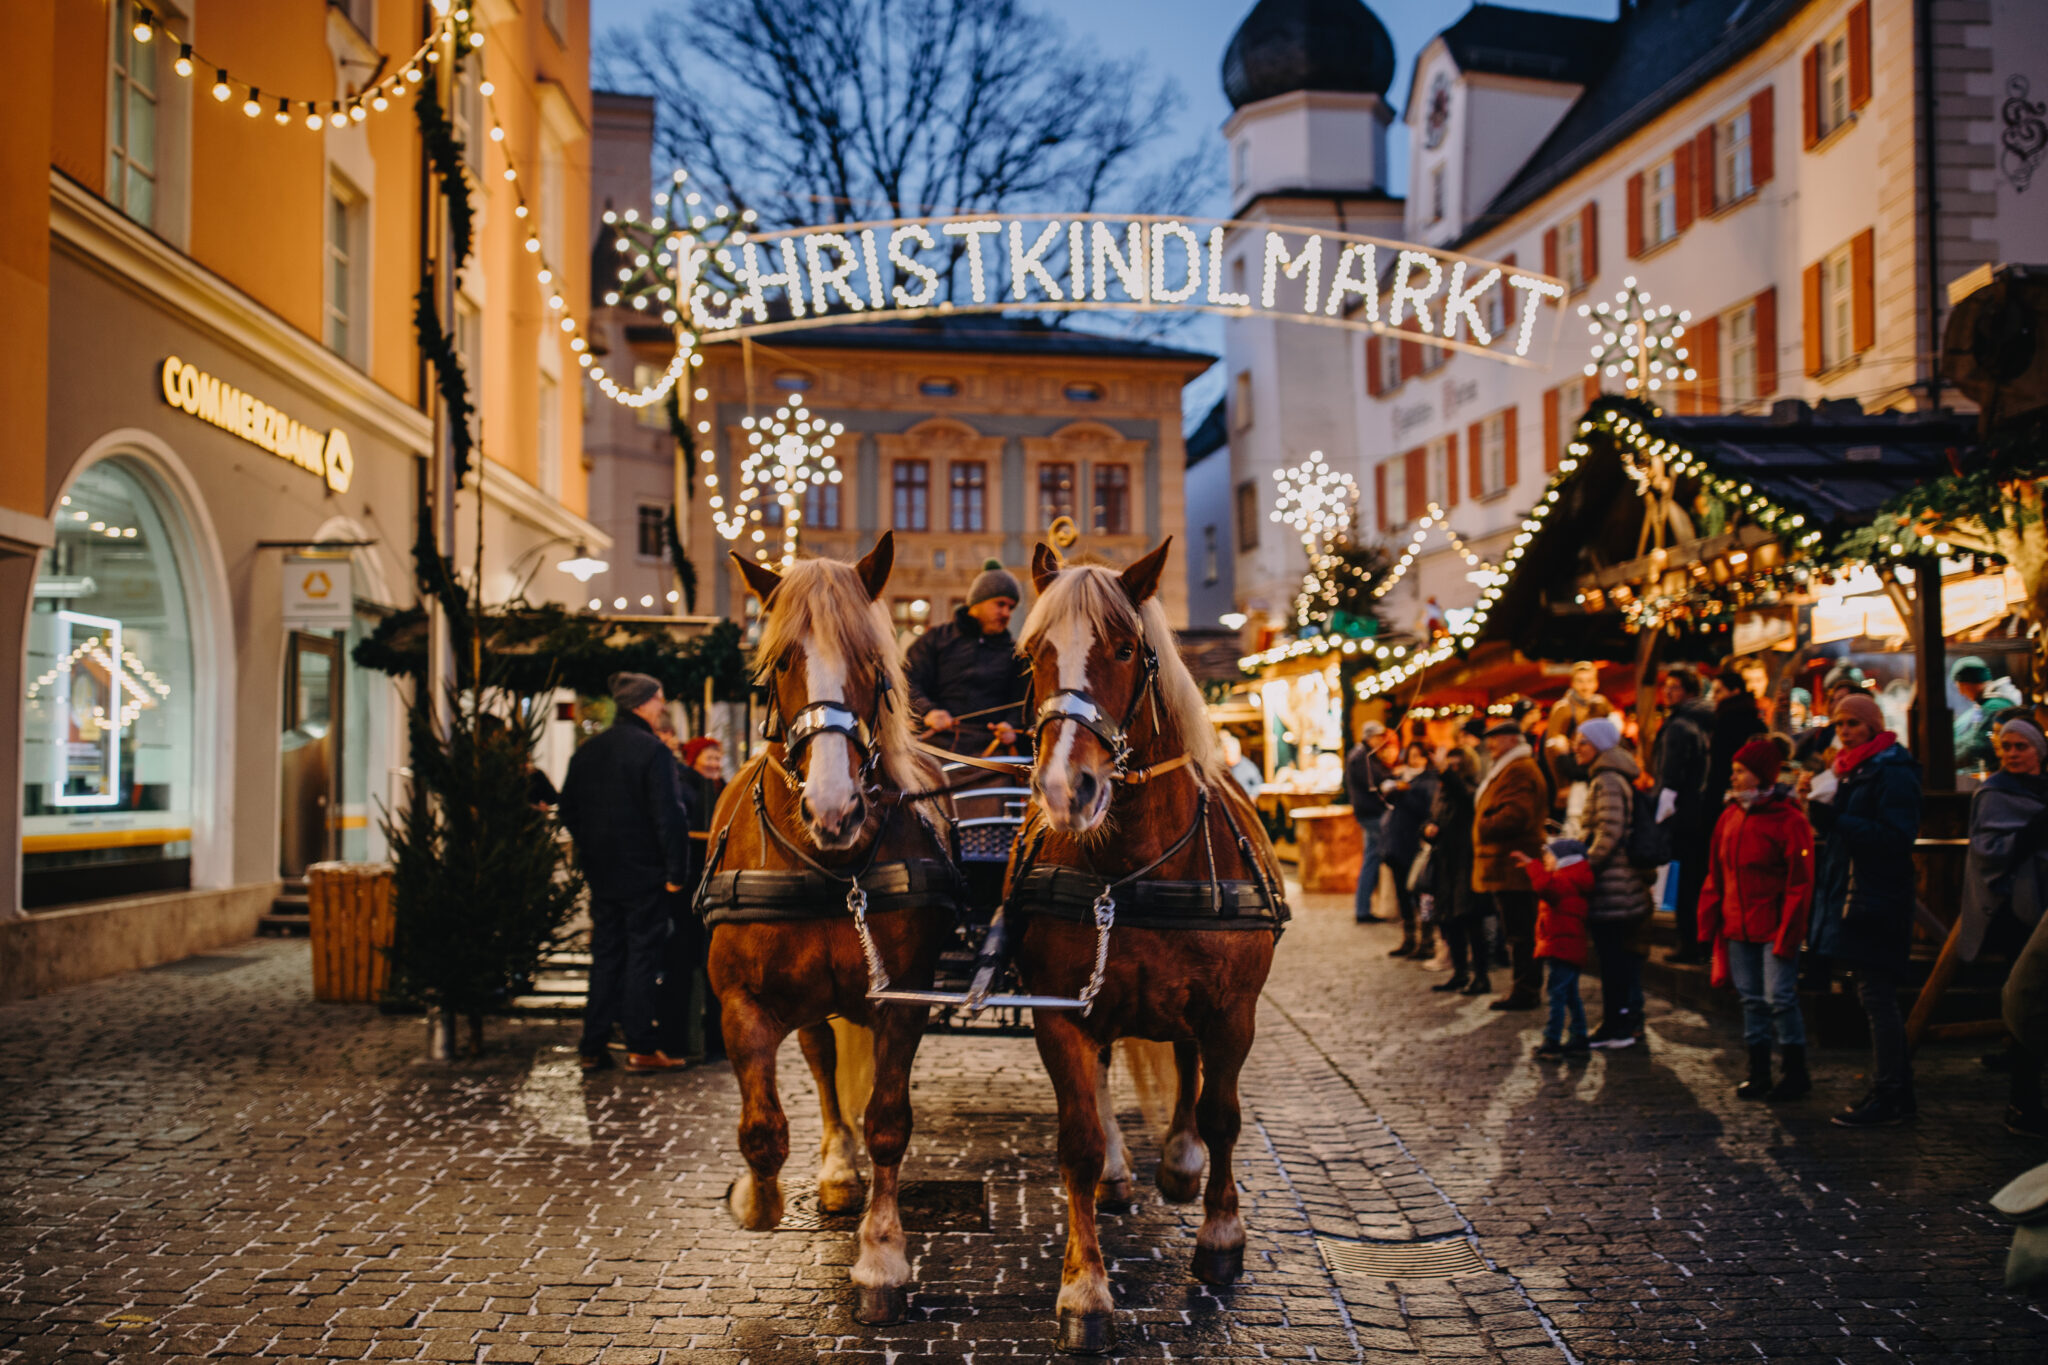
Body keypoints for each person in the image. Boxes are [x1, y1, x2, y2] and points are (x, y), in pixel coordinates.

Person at [557, 672, 694, 1074]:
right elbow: (669, 817)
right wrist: (676, 871)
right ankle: (640, 1046)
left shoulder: (589, 750)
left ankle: (592, 1045)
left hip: (603, 872)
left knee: (606, 956)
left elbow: (568, 809)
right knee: (642, 958)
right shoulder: (652, 752)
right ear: (642, 704)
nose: (662, 706)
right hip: (645, 873)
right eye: (659, 699)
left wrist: (592, 849)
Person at [1800, 692, 1923, 1127]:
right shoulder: (1851, 770)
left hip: (1877, 894)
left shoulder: (1891, 770)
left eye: (1852, 723)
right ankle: (1895, 1089)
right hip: (1853, 892)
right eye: (1839, 725)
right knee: (1871, 993)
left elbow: (1895, 836)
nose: (1845, 732)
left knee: (1877, 995)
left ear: (1872, 725)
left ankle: (1889, 1092)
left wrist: (1837, 821)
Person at [1698, 738, 1815, 1101]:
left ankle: (1795, 1073)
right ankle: (1759, 1071)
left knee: (1779, 997)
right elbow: (1716, 874)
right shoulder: (1730, 817)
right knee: (1751, 1000)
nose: (1732, 778)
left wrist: (1789, 931)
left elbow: (1800, 881)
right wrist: (1711, 922)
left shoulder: (1789, 820)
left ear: (1759, 775)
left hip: (1773, 926)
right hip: (1737, 926)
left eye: (1739, 772)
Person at [1959, 717, 2048, 1137]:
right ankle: (2023, 1100)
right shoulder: (1994, 793)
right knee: (2024, 996)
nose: (2012, 753)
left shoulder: (2041, 789)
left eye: (2020, 746)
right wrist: (2026, 840)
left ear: (2038, 750)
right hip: (2018, 910)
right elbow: (1987, 850)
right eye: (2006, 746)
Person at [904, 559, 1032, 755]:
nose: (1006, 613)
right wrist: (928, 712)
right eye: (1000, 604)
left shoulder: (1015, 653)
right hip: (935, 746)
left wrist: (1012, 726)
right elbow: (907, 681)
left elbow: (1023, 699)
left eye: (1011, 608)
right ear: (977, 602)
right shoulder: (935, 640)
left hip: (993, 750)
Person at [1576, 717, 1652, 1048]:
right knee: (1618, 958)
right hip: (1618, 882)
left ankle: (1617, 1025)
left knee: (1614, 959)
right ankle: (1624, 1021)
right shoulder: (1610, 776)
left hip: (1614, 884)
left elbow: (1609, 832)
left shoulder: (1606, 780)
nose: (1576, 748)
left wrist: (1584, 865)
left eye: (1582, 742)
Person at [1473, 718, 1548, 1009]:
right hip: (1508, 864)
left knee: (1521, 932)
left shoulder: (1519, 770)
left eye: (1497, 738)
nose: (1490, 744)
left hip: (1515, 864)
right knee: (1517, 930)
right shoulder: (1511, 768)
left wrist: (1483, 824)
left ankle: (1526, 990)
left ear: (1513, 741)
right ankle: (1524, 987)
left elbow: (1516, 815)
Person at [1652, 667, 1716, 966]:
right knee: (1700, 878)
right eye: (1667, 686)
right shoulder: (1708, 720)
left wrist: (1662, 805)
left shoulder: (1680, 725)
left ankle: (1688, 942)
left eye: (1674, 687)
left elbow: (1671, 773)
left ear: (1689, 691)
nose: (1668, 692)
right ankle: (1702, 942)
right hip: (1704, 809)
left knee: (1688, 881)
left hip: (1685, 811)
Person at [1519, 837, 1593, 1059]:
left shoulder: (1564, 879)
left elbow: (1544, 887)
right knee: (1570, 994)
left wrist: (1532, 866)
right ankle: (1580, 1037)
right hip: (1565, 945)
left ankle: (1552, 1040)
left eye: (1548, 857)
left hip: (1561, 946)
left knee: (1557, 994)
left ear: (1563, 860)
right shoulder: (1571, 879)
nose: (1545, 861)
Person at [1425, 746, 1489, 995]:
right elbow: (1432, 818)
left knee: (1470, 919)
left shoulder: (1472, 789)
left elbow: (1464, 795)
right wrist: (1428, 829)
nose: (1450, 771)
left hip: (1466, 862)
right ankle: (1460, 973)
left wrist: (1444, 771)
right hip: (1444, 863)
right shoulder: (1442, 793)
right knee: (1449, 920)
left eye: (1455, 766)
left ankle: (1481, 976)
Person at [1382, 741, 1439, 959]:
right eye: (1411, 756)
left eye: (1419, 756)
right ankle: (1408, 938)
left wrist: (1405, 792)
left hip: (1415, 844)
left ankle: (1426, 940)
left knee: (1421, 894)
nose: (1414, 760)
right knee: (1403, 895)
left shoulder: (1429, 781)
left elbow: (1426, 810)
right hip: (1397, 844)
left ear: (1426, 758)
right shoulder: (1401, 778)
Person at [1345, 721, 1396, 923]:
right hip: (1372, 812)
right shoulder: (1362, 756)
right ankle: (1366, 908)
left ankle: (1364, 907)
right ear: (1369, 737)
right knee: (1377, 858)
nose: (1381, 741)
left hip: (1369, 812)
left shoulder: (1366, 755)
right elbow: (1372, 785)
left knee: (1371, 858)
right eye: (1378, 737)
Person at [1544, 662, 1613, 809]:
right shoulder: (1564, 708)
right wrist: (1561, 785)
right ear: (1572, 683)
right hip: (1574, 773)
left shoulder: (1601, 704)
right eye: (1580, 681)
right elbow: (1551, 749)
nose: (1585, 686)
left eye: (1589, 681)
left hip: (1597, 772)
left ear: (1596, 683)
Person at [1707, 665, 1768, 815]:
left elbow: (1718, 766)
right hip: (1752, 794)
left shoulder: (1724, 721)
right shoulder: (1755, 720)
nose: (1714, 696)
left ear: (1735, 691)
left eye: (1719, 691)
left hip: (1727, 793)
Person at [1953, 656, 2025, 775]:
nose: (1961, 693)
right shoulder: (1986, 704)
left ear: (1969, 683)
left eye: (1961, 687)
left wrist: (1945, 762)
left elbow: (1978, 745)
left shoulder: (1995, 706)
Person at [1222, 731, 1263, 797]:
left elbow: (1257, 784)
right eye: (1225, 751)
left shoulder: (1248, 766)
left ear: (1238, 751)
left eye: (1229, 751)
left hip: (1243, 802)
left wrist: (1252, 796)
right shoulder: (1220, 767)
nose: (1227, 754)